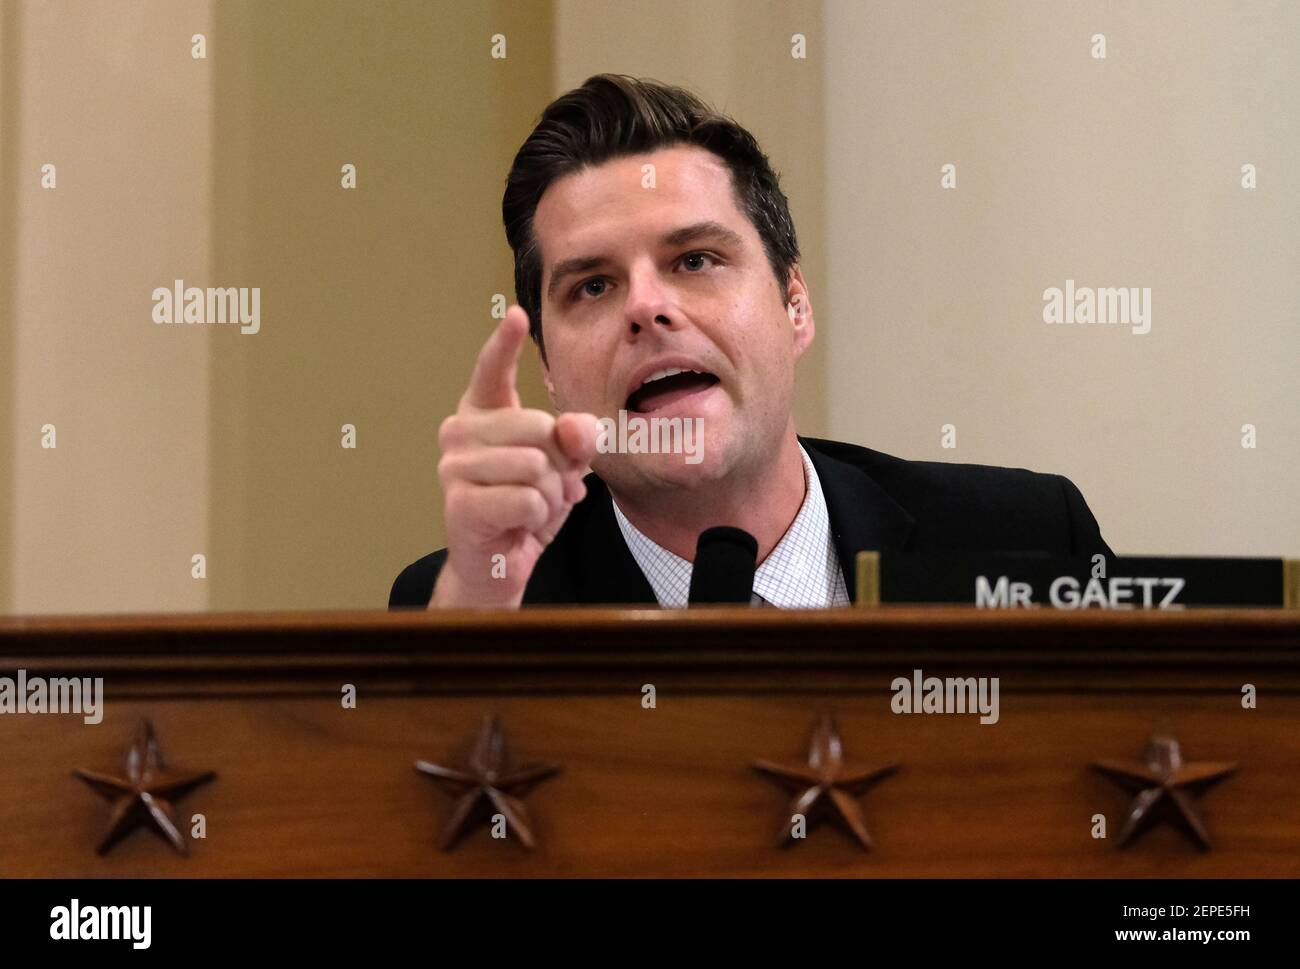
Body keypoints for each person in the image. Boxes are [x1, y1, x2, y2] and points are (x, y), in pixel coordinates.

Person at [390, 74, 1111, 609]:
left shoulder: (1027, 541)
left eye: (694, 261)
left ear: (795, 304)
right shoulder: (472, 596)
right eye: (594, 287)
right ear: (549, 369)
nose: (646, 307)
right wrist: (478, 606)